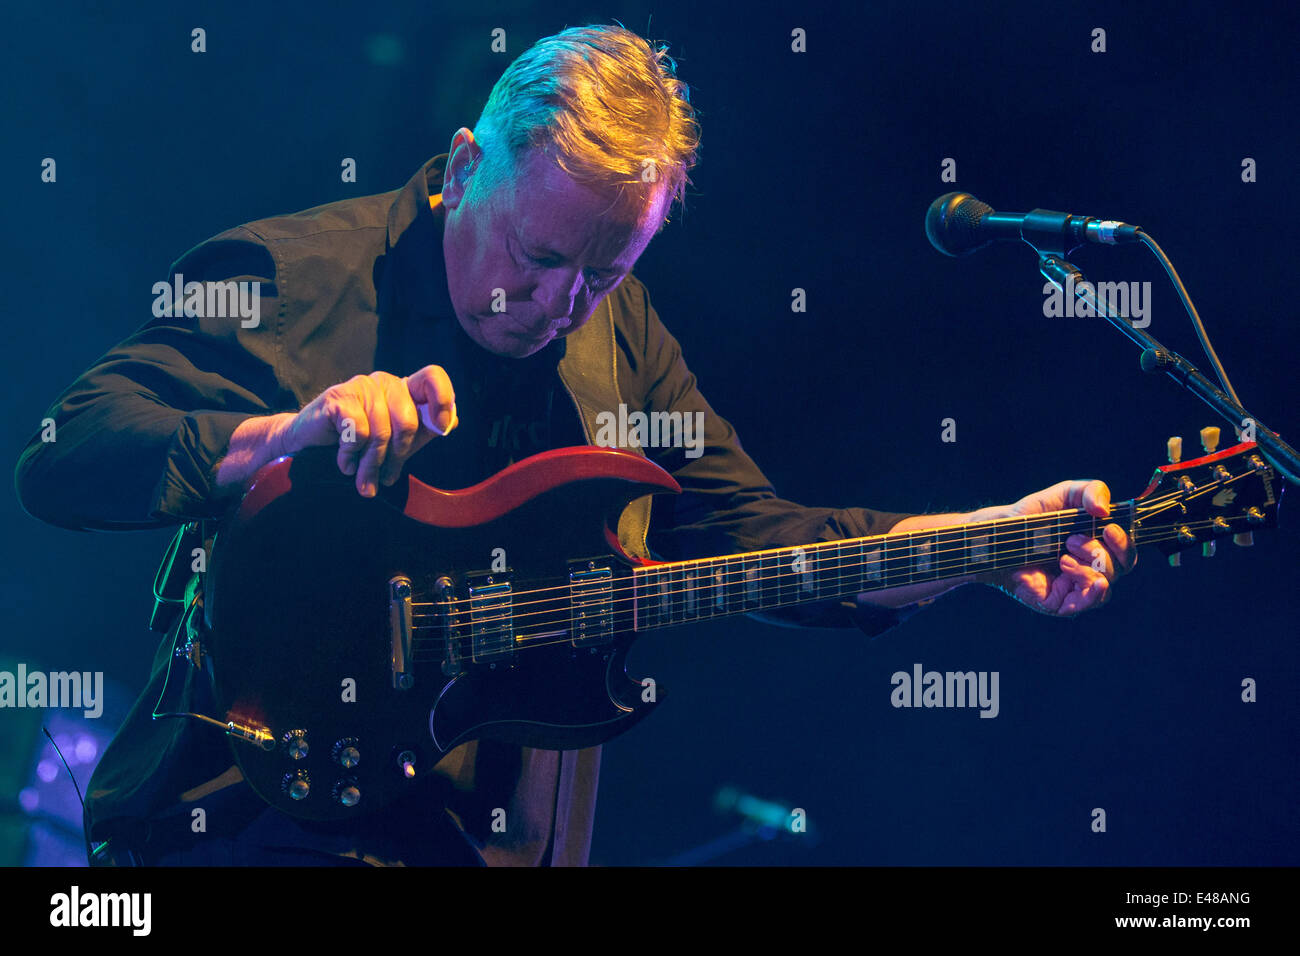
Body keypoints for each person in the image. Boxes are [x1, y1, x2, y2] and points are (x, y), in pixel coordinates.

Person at [13, 24, 1134, 867]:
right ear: (462, 166)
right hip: (242, 825)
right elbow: (69, 449)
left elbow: (756, 534)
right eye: (538, 254)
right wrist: (282, 435)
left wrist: (977, 542)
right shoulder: (299, 275)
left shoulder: (620, 341)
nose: (556, 302)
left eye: (603, 271)